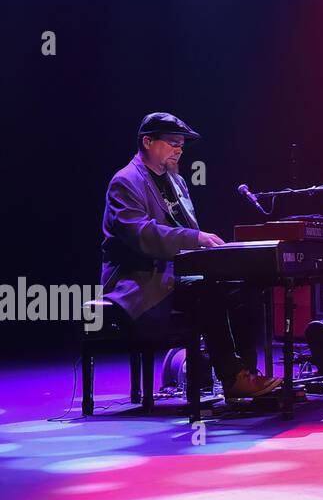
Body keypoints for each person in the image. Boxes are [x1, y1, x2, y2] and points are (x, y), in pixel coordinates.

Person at [101, 112, 282, 399]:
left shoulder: (178, 182)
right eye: (173, 143)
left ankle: (248, 373)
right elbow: (141, 235)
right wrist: (195, 238)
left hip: (177, 276)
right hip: (139, 281)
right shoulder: (125, 182)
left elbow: (187, 234)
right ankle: (233, 377)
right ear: (147, 142)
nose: (179, 150)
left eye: (182, 145)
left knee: (246, 287)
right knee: (207, 292)